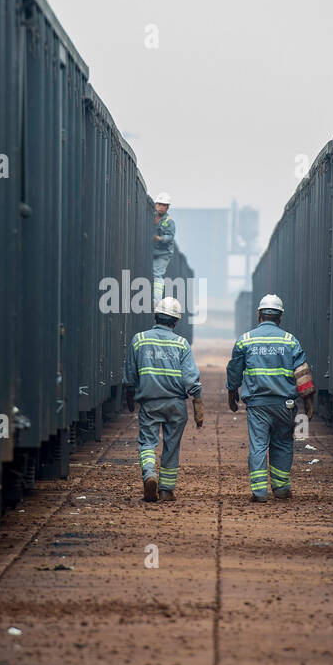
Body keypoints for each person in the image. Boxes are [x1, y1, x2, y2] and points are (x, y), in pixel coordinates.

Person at [226, 294, 315, 502]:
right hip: (285, 405)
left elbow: (234, 370)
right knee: (283, 444)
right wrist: (309, 402)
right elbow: (302, 372)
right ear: (280, 316)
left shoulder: (245, 340)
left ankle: (259, 492)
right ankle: (281, 488)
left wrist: (232, 392)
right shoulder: (290, 341)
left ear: (259, 314)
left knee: (258, 445)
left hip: (258, 405)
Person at [122, 297, 204, 502]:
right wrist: (197, 402)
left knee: (147, 443)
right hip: (176, 404)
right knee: (172, 445)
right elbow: (190, 377)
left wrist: (130, 397)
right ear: (175, 322)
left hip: (150, 403)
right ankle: (166, 490)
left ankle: (149, 474)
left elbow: (130, 376)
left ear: (155, 316)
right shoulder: (181, 344)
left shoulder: (139, 340)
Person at [151, 191, 175, 301]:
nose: (161, 207)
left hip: (163, 254)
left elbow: (170, 236)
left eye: (164, 205)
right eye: (159, 204)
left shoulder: (169, 222)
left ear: (167, 207)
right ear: (155, 204)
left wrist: (160, 238)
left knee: (157, 275)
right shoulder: (150, 216)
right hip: (152, 251)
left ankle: (156, 302)